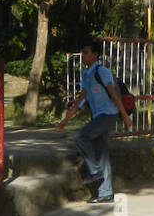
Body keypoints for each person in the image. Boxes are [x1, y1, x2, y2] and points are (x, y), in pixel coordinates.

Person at [56, 39, 133, 204]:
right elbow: (80, 100)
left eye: (86, 52)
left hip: (108, 115)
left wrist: (125, 116)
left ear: (95, 55)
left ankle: (95, 170)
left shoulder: (102, 72)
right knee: (102, 153)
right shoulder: (86, 74)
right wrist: (65, 120)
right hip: (98, 117)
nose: (82, 55)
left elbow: (114, 95)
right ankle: (105, 193)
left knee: (80, 137)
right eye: (82, 52)